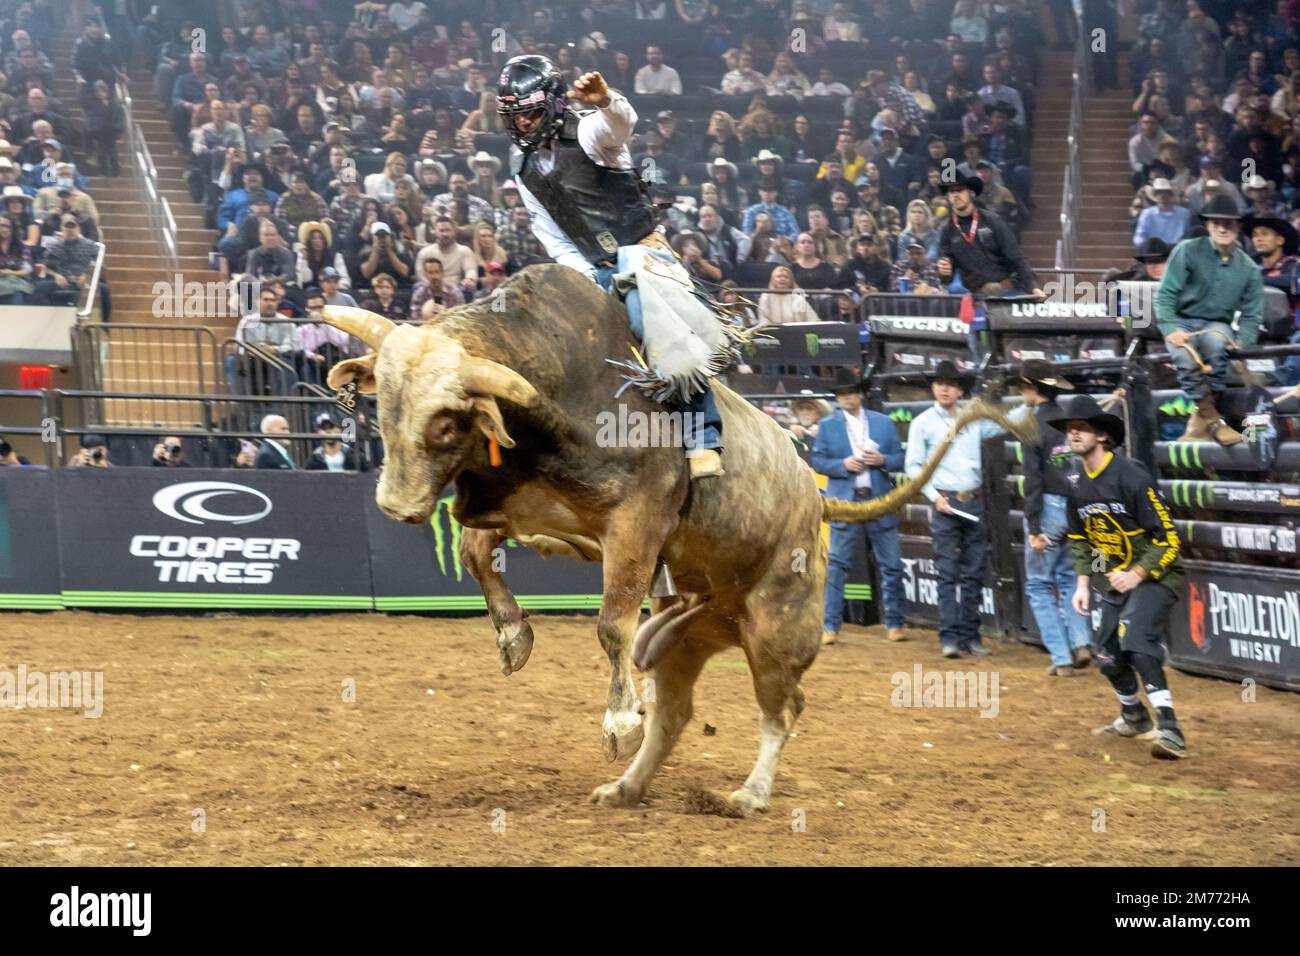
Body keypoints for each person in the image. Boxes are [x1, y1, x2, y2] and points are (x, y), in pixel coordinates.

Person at [497, 55, 724, 478]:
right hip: (589, 265)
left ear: (551, 105)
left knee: (647, 318)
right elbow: (551, 234)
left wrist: (607, 101)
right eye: (515, 116)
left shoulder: (588, 131)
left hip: (642, 251)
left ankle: (703, 436)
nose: (523, 125)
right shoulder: (521, 167)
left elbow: (620, 125)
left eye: (529, 113)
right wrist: (585, 281)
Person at [1054, 394, 1188, 760]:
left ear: (1101, 435)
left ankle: (1171, 729)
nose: (1074, 434)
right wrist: (1085, 583)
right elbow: (1083, 540)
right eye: (1070, 428)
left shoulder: (1131, 475)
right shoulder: (1074, 481)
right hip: (1116, 577)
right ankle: (1133, 715)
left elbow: (1170, 537)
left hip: (1158, 575)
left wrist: (1138, 573)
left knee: (1137, 643)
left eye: (1081, 428)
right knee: (1108, 655)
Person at [904, 360, 1007, 658]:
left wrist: (1025, 403)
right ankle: (950, 637)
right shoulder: (922, 422)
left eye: (950, 383)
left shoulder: (972, 419)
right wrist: (934, 496)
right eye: (939, 383)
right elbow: (912, 466)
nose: (944, 388)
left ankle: (969, 636)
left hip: (971, 499)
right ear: (934, 387)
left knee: (973, 571)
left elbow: (1002, 423)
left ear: (959, 389)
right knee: (948, 572)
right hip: (945, 500)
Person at [1155, 194, 1263, 445]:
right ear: (1208, 226)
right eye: (1217, 223)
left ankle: (1202, 420)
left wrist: (1242, 341)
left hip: (1217, 324)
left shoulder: (1248, 268)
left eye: (1229, 223)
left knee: (1216, 344)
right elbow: (1167, 293)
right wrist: (1170, 328)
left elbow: (1252, 313)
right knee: (1183, 355)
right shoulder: (1188, 250)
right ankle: (1213, 421)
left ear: (1238, 227)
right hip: (1183, 320)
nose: (1223, 228)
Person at [812, 368, 907, 646]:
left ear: (860, 394)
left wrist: (882, 460)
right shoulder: (828, 426)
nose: (847, 398)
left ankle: (895, 622)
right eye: (842, 394)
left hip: (877, 498)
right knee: (838, 564)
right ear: (838, 398)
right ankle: (830, 625)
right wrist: (842, 465)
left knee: (891, 564)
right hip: (847, 501)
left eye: (851, 392)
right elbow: (818, 461)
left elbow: (900, 458)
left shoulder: (883, 423)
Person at [1015, 360, 1092, 677]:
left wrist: (1033, 526)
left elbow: (1032, 479)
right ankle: (1081, 640)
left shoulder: (1032, 425)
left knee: (1038, 585)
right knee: (1068, 577)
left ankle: (1061, 657)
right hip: (1075, 505)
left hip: (1047, 507)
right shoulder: (1069, 423)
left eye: (1023, 387)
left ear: (1032, 389)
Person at [936, 175, 1043, 296]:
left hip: (1005, 292)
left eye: (960, 190)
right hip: (974, 297)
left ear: (970, 193)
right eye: (951, 191)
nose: (956, 194)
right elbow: (946, 275)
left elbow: (1016, 257)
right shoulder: (947, 230)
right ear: (948, 197)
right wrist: (943, 272)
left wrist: (1033, 287)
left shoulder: (992, 220)